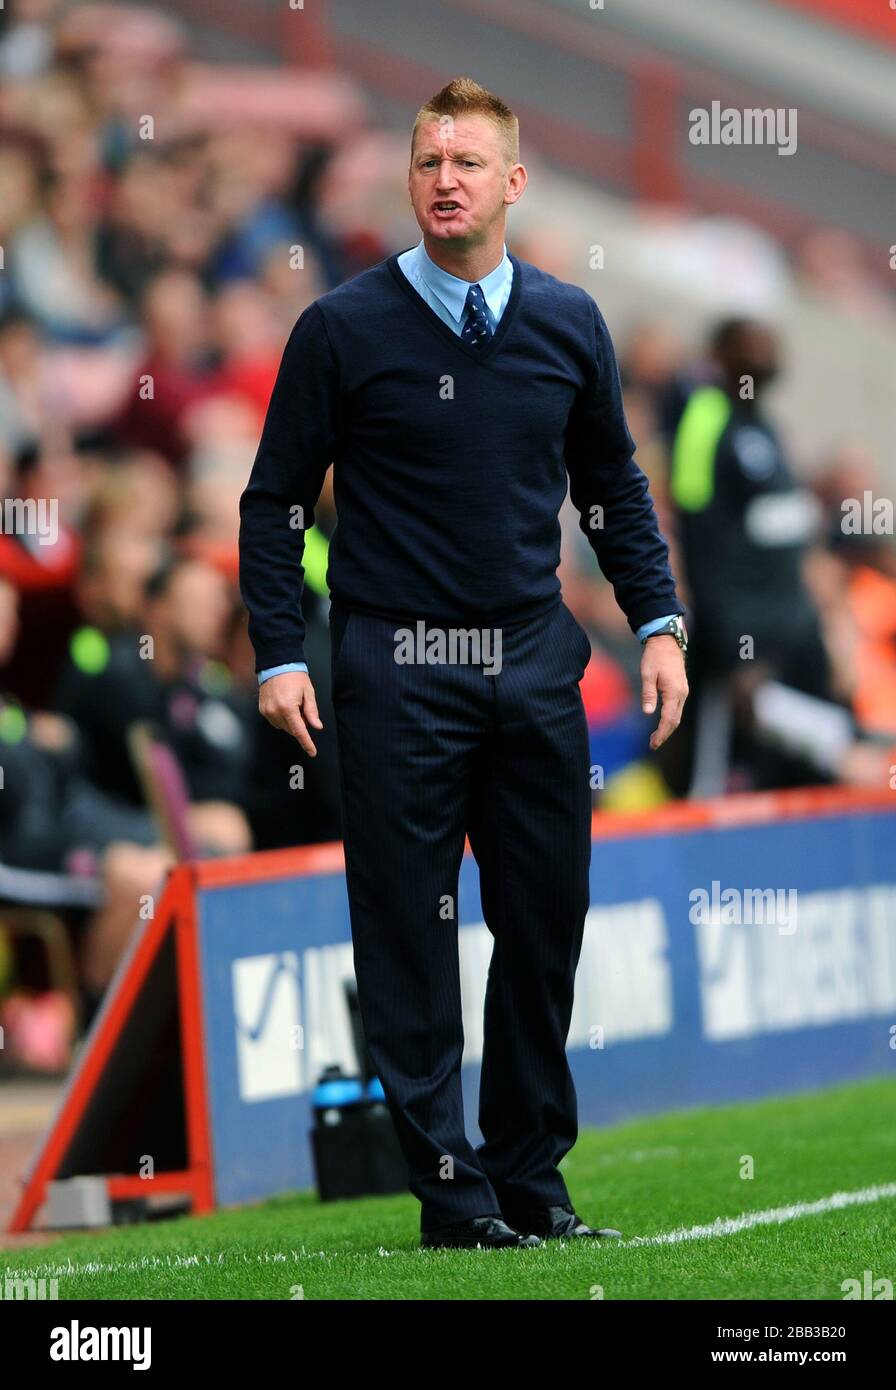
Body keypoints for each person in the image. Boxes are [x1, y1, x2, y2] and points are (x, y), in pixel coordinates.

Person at [239, 78, 688, 1250]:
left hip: (535, 660)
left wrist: (657, 622)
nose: (446, 178)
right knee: (409, 933)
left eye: (469, 162)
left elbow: (614, 489)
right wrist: (280, 651)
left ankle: (531, 1176)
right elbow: (274, 500)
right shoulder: (340, 327)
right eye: (429, 159)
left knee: (545, 921)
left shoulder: (567, 322)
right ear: (408, 180)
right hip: (395, 665)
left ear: (511, 182)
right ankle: (452, 1192)